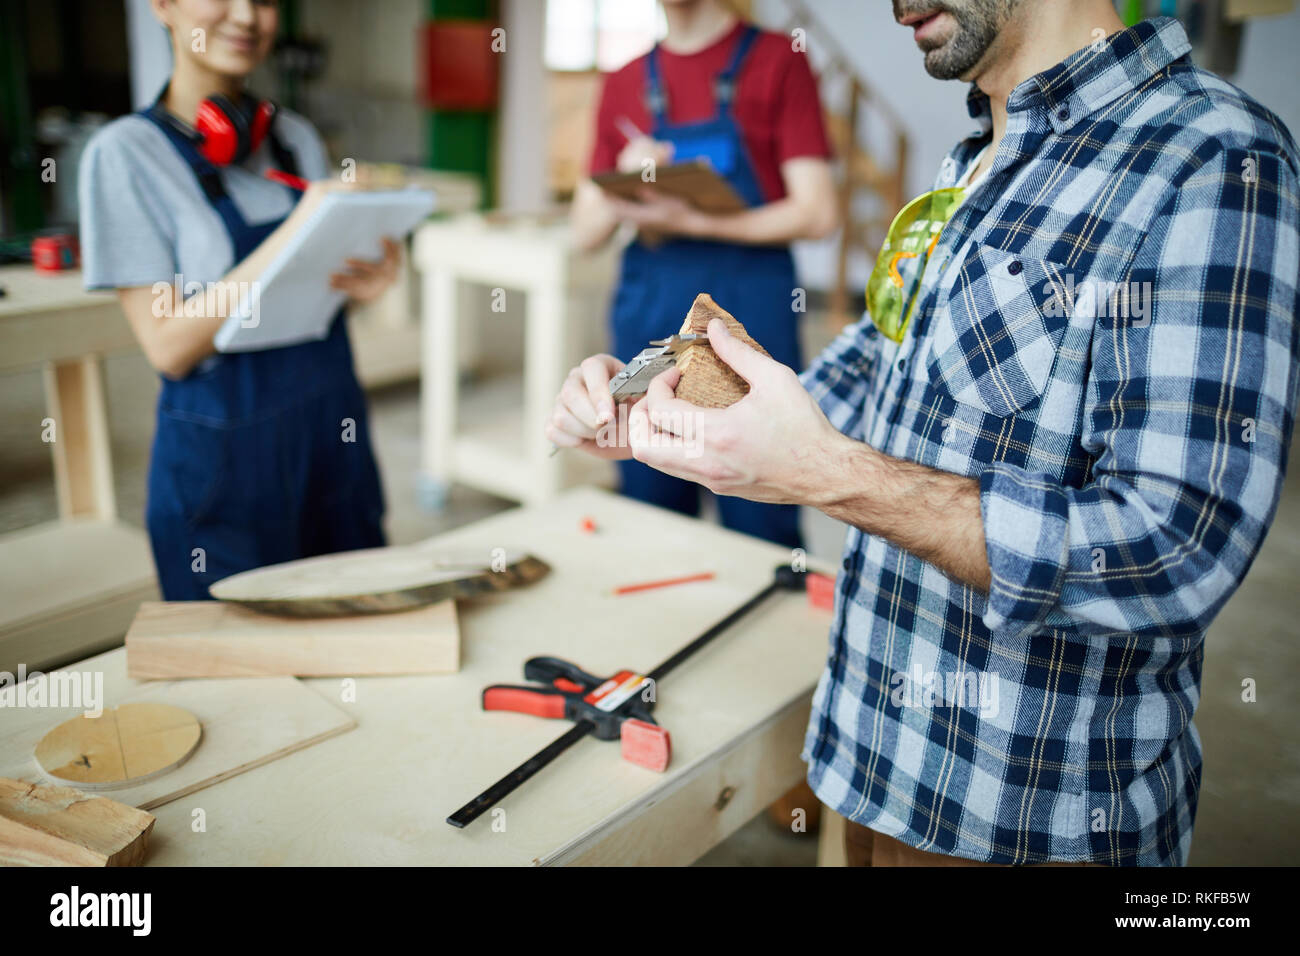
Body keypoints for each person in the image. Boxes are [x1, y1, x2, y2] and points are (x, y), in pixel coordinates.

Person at [548, 1, 1300, 865]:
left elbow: (1173, 553)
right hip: (870, 758)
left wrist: (827, 474)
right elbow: (873, 370)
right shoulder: (973, 161)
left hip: (1016, 814)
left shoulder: (1212, 156)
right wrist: (654, 407)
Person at [78, 0, 399, 600]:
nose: (247, 16)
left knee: (358, 632)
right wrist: (295, 232)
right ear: (164, 6)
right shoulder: (124, 156)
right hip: (223, 469)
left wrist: (361, 289)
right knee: (241, 668)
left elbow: (303, 300)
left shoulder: (295, 138)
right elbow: (168, 347)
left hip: (332, 438)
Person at [569, 0, 837, 549]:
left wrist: (693, 220)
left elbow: (818, 212)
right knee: (651, 511)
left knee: (762, 511)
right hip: (650, 311)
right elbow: (584, 232)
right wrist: (624, 174)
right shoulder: (622, 81)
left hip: (749, 319)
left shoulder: (779, 59)